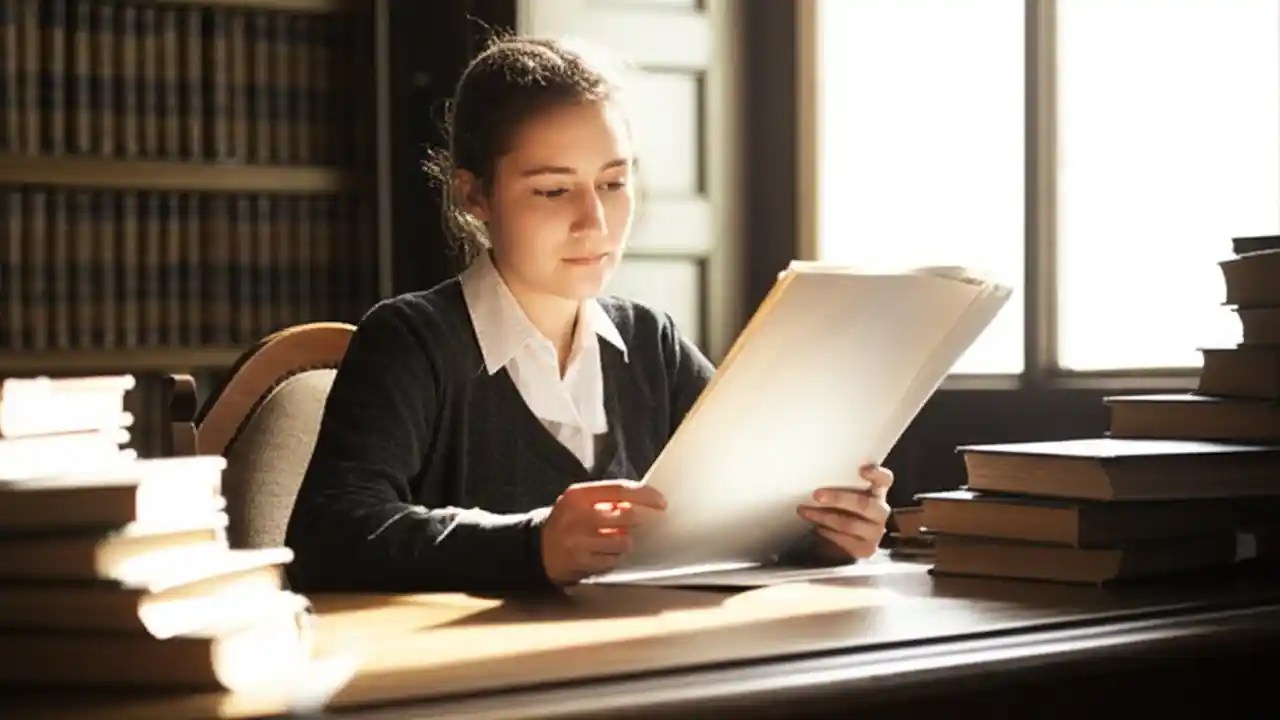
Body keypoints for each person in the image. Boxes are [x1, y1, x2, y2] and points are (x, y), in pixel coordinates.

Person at [283, 35, 894, 593]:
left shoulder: (651, 343)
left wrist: (822, 527)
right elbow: (330, 534)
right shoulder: (411, 340)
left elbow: (747, 500)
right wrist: (533, 542)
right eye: (553, 190)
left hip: (641, 672)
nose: (595, 223)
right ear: (474, 195)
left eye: (613, 183)